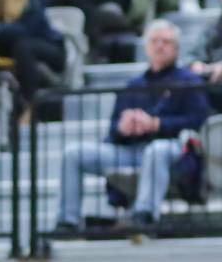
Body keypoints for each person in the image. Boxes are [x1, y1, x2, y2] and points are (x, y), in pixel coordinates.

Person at [53, 20, 207, 233]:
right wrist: (124, 127)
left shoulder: (189, 81)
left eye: (166, 42)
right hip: (129, 149)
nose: (160, 46)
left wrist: (156, 124)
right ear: (146, 47)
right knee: (73, 154)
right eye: (155, 41)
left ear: (177, 48)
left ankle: (144, 215)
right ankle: (67, 221)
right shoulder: (133, 85)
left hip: (172, 148)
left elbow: (198, 120)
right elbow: (113, 128)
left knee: (156, 151)